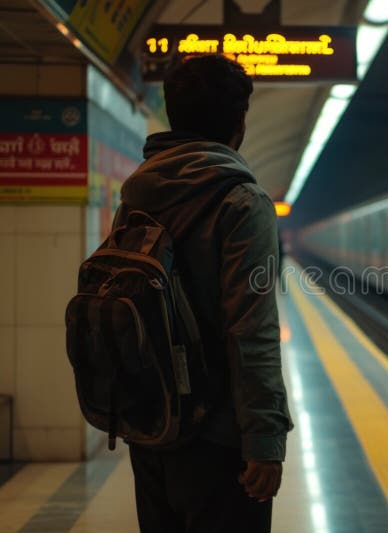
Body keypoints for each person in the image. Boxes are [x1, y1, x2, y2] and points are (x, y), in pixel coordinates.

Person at [111, 55, 293, 532]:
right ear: (240, 122)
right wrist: (265, 440)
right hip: (218, 439)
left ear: (173, 113)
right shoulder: (243, 200)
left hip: (150, 427)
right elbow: (251, 330)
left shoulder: (136, 192)